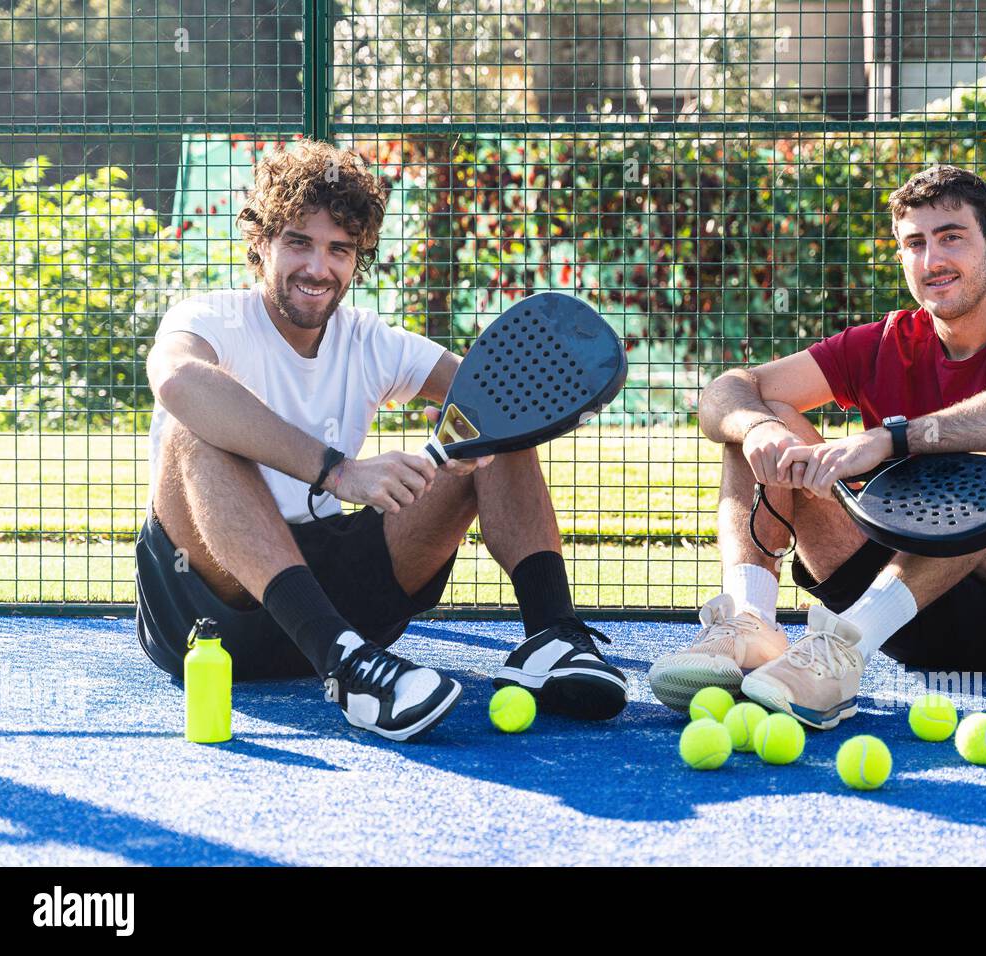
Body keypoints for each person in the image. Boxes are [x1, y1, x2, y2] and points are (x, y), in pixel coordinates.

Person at [136, 139, 627, 741]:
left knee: (492, 408)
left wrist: (551, 404)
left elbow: (501, 385)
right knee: (194, 431)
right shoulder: (212, 319)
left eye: (338, 250)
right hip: (212, 612)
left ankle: (552, 637)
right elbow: (180, 380)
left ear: (356, 260)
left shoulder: (369, 340)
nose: (318, 268)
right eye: (298, 242)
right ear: (261, 244)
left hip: (346, 599)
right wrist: (340, 473)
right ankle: (345, 666)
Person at [650, 165, 986, 729]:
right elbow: (725, 391)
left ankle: (842, 648)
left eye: (951, 237)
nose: (932, 259)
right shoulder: (886, 339)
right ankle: (751, 627)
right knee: (760, 419)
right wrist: (756, 430)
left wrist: (892, 438)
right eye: (914, 243)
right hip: (904, 620)